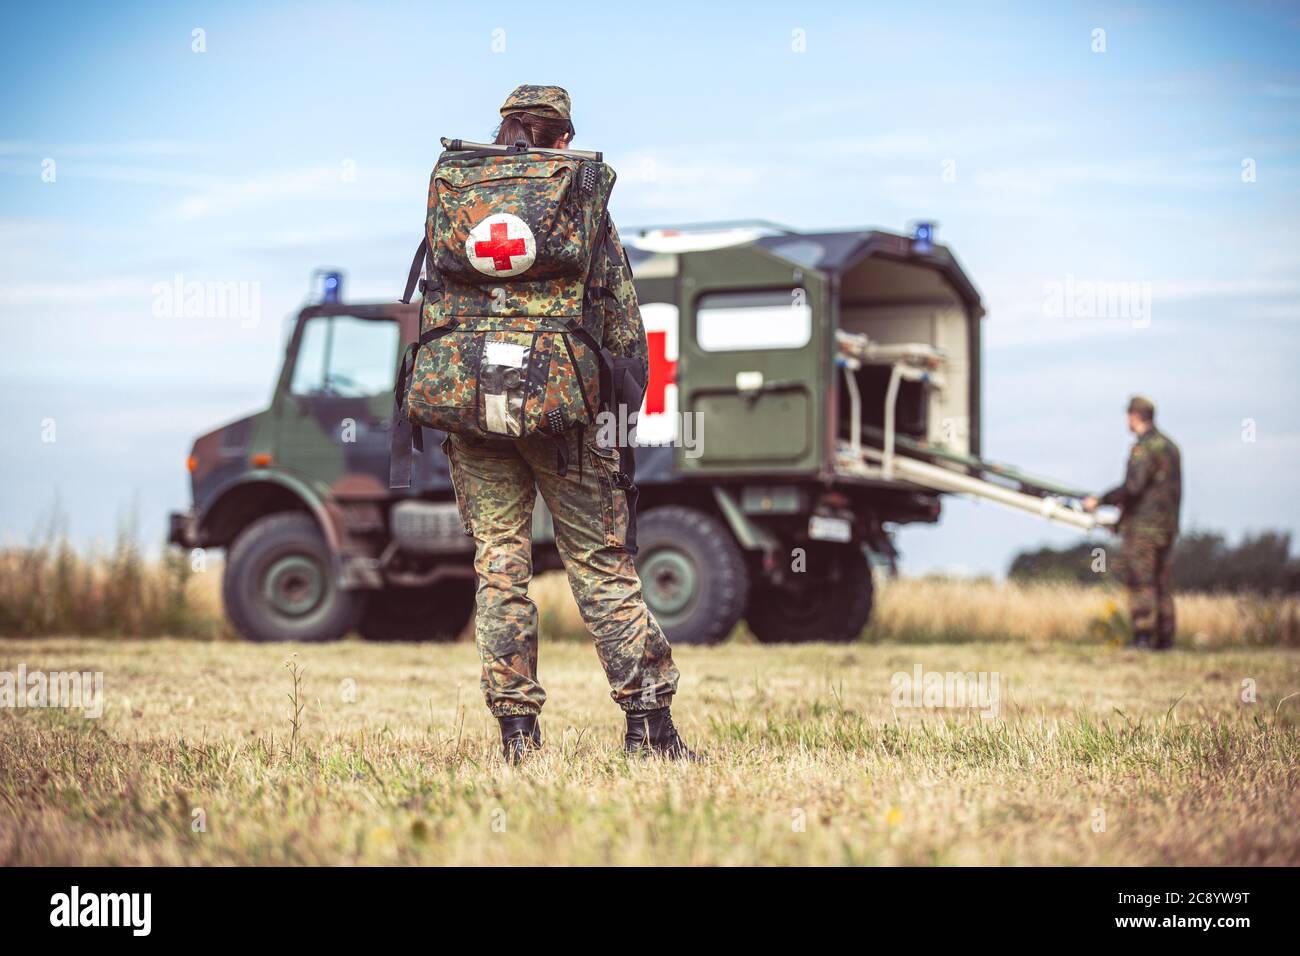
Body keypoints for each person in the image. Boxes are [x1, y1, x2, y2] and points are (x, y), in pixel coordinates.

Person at [445, 85, 694, 762]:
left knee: (499, 567)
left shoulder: (460, 195)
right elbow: (619, 317)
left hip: (473, 408)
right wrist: (620, 414)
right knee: (601, 567)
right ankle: (649, 732)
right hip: (565, 412)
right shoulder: (575, 192)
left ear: (500, 131)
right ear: (562, 138)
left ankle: (518, 741)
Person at [1083, 396, 1182, 650]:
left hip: (1143, 529)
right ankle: (1165, 639)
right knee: (1161, 583)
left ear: (1135, 416)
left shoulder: (1144, 448)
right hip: (1167, 527)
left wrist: (1101, 500)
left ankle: (1143, 637)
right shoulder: (1170, 447)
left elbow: (1133, 488)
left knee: (1141, 582)